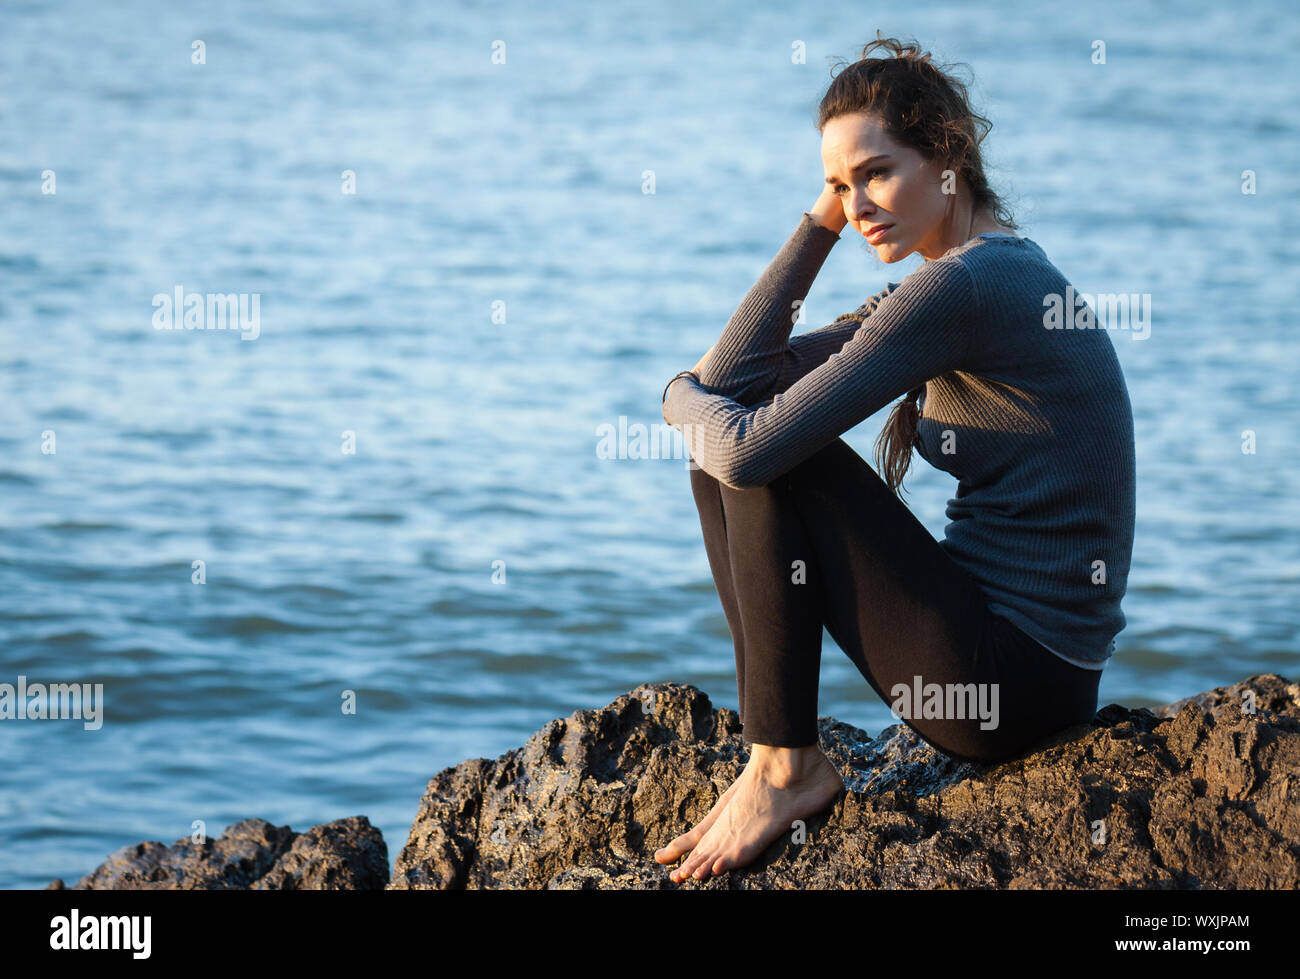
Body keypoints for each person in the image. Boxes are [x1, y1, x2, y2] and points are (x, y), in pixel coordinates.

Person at [654, 34, 1136, 883]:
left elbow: (736, 428)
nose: (858, 203)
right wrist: (822, 220)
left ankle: (783, 765)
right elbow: (733, 380)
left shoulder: (964, 289)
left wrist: (671, 394)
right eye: (840, 186)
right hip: (1020, 678)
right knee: (731, 445)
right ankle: (775, 758)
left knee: (758, 454)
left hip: (1008, 686)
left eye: (875, 173)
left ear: (947, 156)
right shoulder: (956, 277)